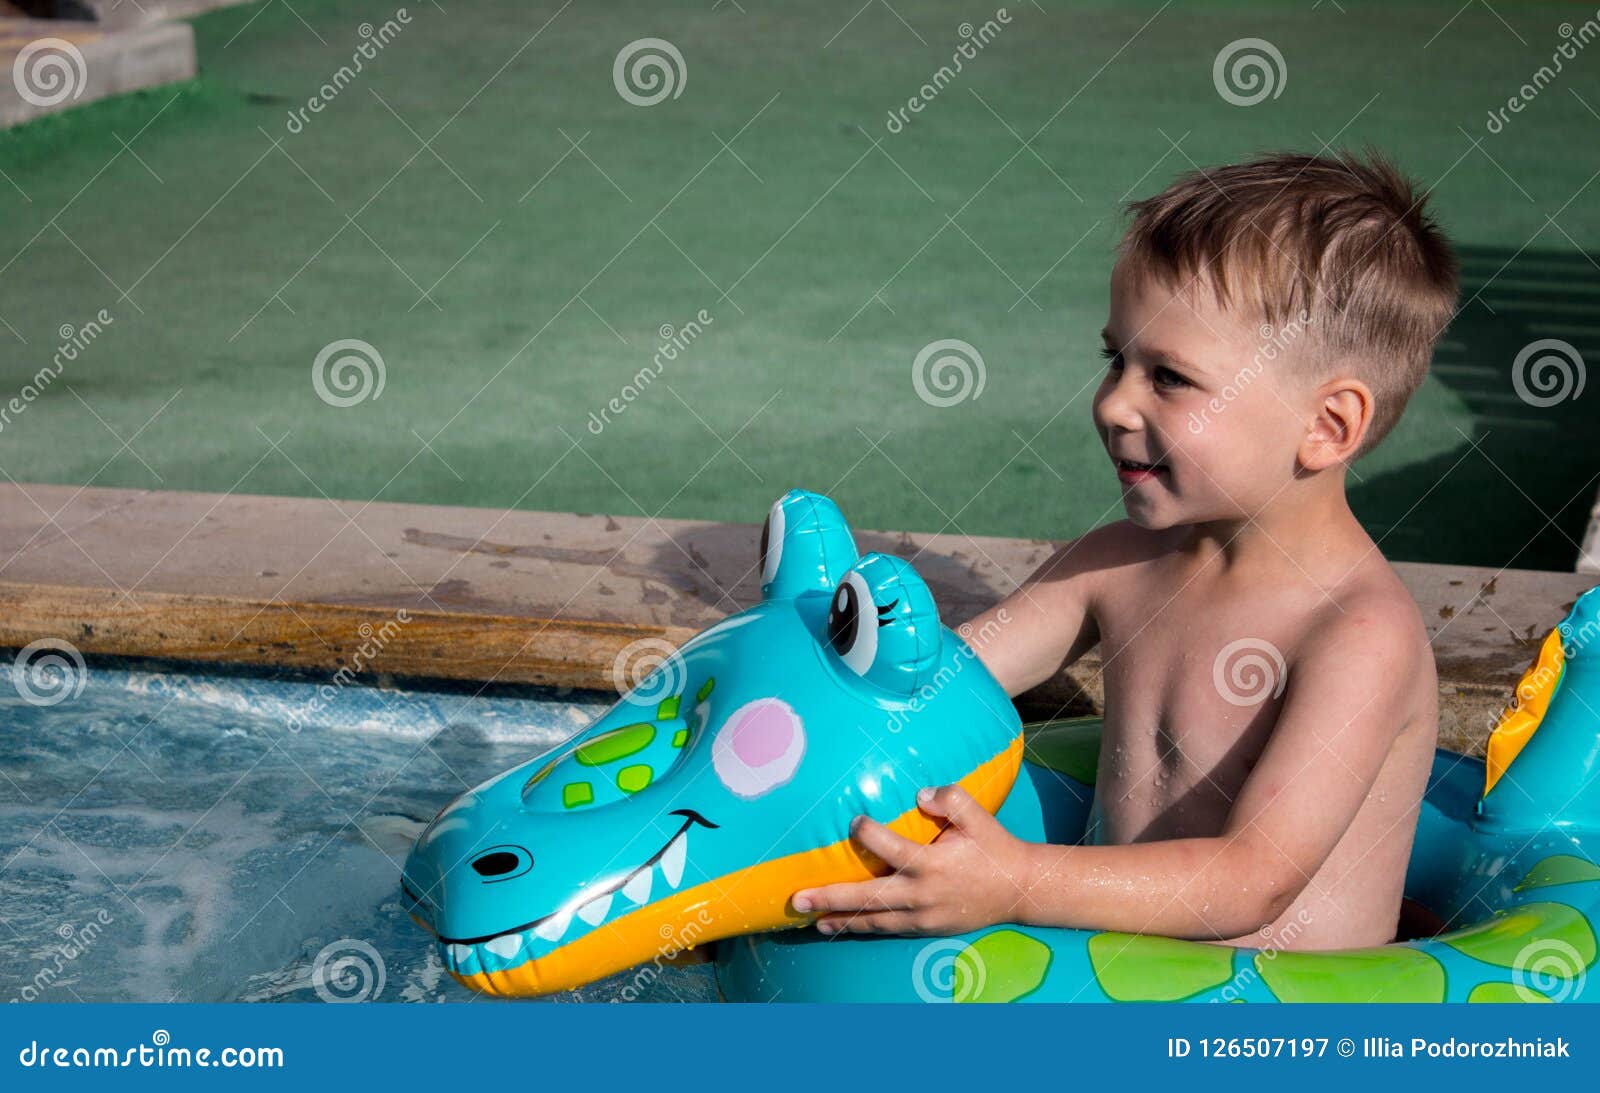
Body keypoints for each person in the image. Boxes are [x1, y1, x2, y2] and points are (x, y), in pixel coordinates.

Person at [793, 149, 1461, 950]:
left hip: (1281, 1023)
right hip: (1116, 981)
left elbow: (1250, 879)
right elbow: (941, 685)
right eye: (1116, 359)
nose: (1114, 403)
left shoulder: (1358, 635)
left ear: (1327, 426)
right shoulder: (1116, 564)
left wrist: (1016, 883)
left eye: (1169, 377)